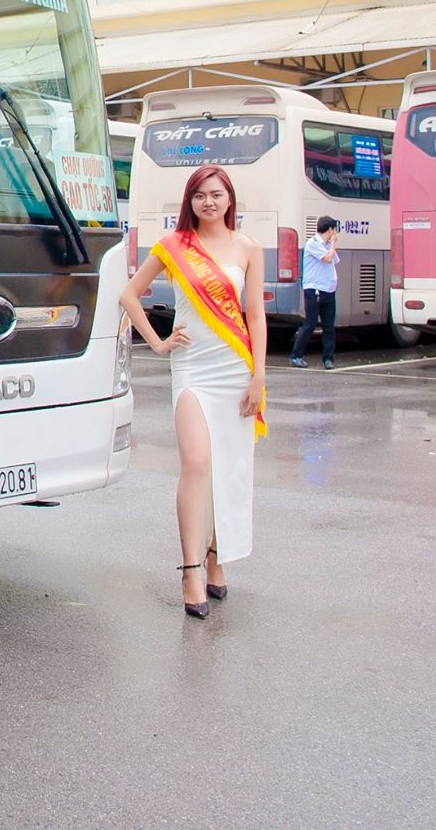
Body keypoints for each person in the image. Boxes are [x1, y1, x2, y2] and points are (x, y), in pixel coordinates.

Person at [119, 165, 268, 618]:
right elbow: (128, 294)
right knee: (197, 462)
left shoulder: (248, 249)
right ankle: (190, 570)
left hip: (235, 367)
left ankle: (216, 558)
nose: (209, 202)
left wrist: (259, 377)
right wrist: (159, 342)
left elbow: (256, 315)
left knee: (229, 466)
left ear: (229, 199)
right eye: (200, 195)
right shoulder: (174, 246)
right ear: (190, 200)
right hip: (192, 368)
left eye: (217, 194)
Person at [289, 216, 340, 369]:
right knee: (310, 324)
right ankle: (296, 355)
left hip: (328, 289)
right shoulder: (313, 243)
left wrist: (331, 245)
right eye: (334, 230)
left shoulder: (326, 245)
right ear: (330, 229)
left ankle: (328, 359)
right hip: (314, 290)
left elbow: (335, 260)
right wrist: (333, 243)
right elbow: (328, 258)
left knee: (329, 326)